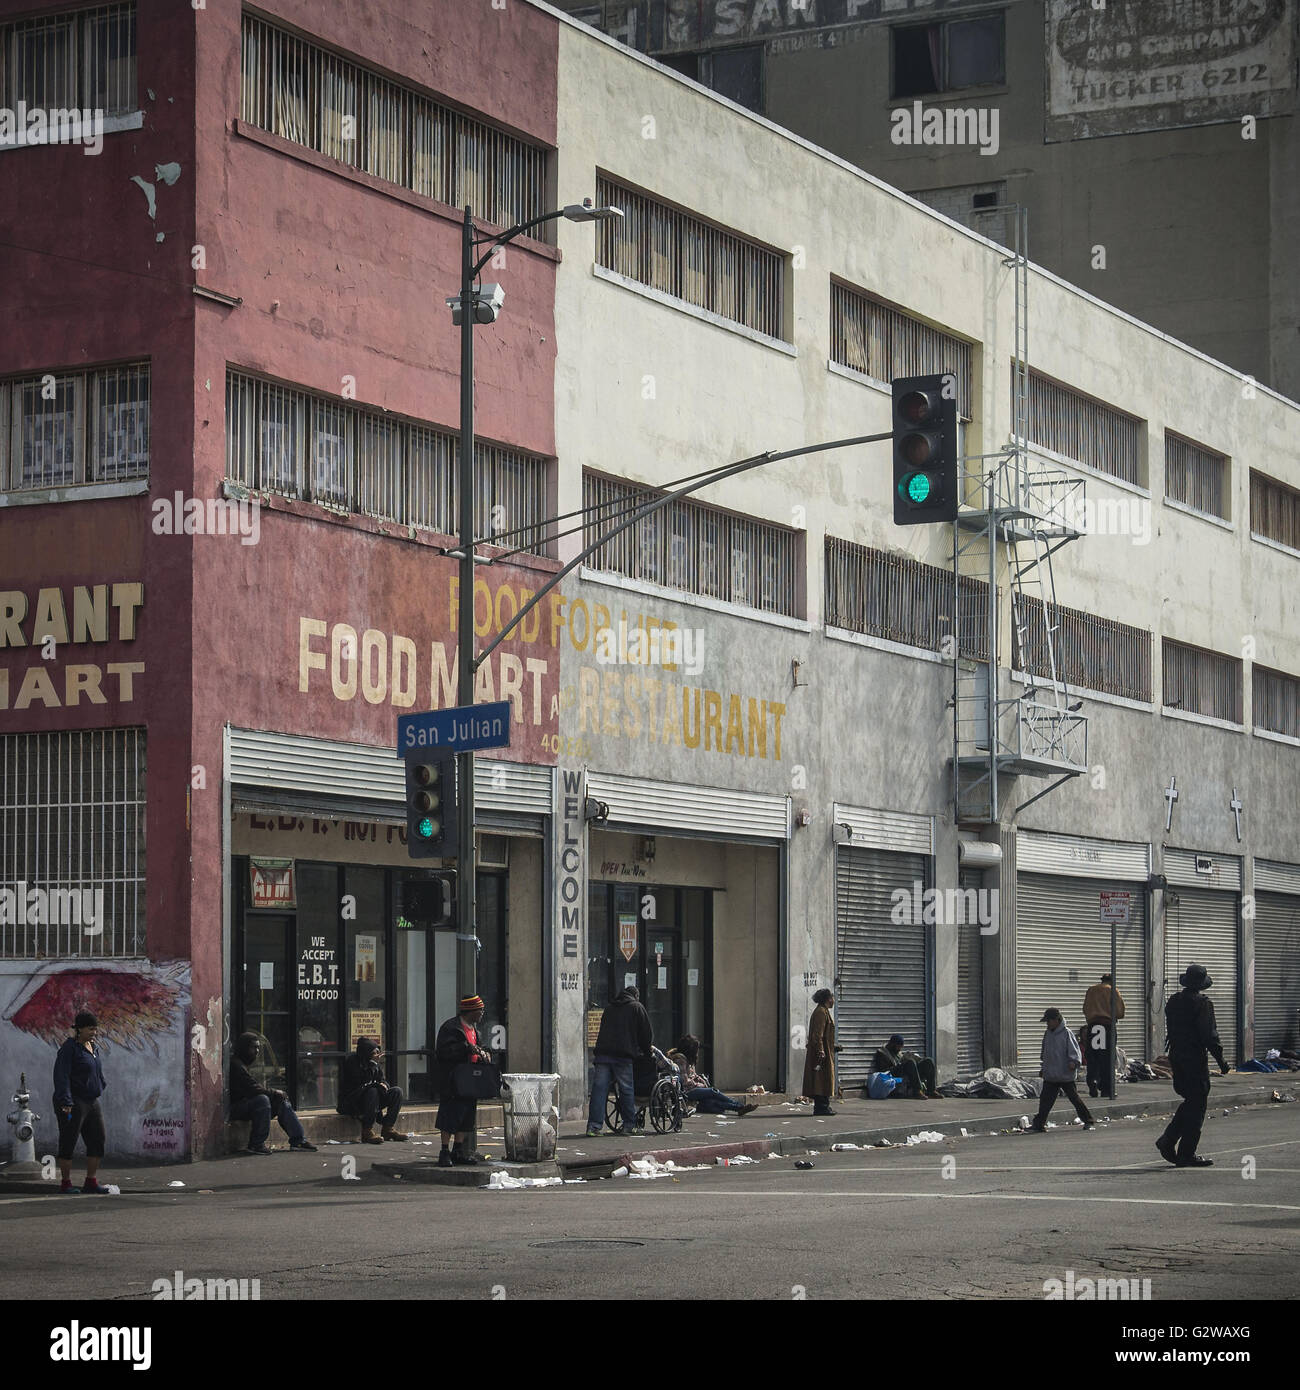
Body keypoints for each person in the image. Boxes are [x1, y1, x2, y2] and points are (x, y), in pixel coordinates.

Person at [1156, 962, 1229, 1169]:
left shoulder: (1173, 1001)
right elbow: (1209, 1036)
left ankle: (1168, 1140)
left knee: (1191, 1101)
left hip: (1177, 1057)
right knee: (1197, 1105)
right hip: (1194, 1059)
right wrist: (1221, 1061)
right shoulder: (1202, 1004)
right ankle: (1185, 1152)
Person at [228, 1032, 317, 1154]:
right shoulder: (236, 1065)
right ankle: (256, 1144)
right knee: (263, 1100)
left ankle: (298, 1140)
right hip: (234, 1108)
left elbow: (253, 1088)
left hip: (246, 1105)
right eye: (254, 1047)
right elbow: (252, 1088)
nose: (257, 1051)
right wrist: (274, 1092)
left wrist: (275, 1094)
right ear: (244, 1048)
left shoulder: (242, 1064)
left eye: (258, 1047)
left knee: (280, 1100)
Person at [53, 1012, 110, 1194]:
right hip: (73, 1101)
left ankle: (91, 1182)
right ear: (79, 1029)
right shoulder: (69, 1048)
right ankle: (66, 1183)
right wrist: (66, 1101)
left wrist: (100, 1084)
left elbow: (96, 1071)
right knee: (69, 1141)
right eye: (90, 1029)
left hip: (91, 1101)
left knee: (98, 1139)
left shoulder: (93, 1047)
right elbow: (61, 1076)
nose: (94, 1032)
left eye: (95, 1029)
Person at [586, 986, 652, 1138]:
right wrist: (647, 1053)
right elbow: (646, 1034)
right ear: (636, 995)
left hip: (603, 1054)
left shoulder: (609, 1008)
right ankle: (629, 1125)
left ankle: (593, 1126)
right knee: (626, 1089)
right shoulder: (636, 1007)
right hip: (623, 1055)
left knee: (599, 1090)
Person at [435, 995, 493, 1166]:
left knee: (467, 1116)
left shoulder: (476, 1031)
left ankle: (458, 1150)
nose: (482, 1014)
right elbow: (443, 1052)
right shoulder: (451, 1028)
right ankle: (444, 1150)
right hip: (453, 1079)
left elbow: (479, 1048)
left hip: (470, 1080)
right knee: (449, 1115)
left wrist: (484, 1053)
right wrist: (466, 1048)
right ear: (471, 1011)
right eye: (480, 1010)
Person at [1030, 1008, 1094, 1132]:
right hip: (1051, 1075)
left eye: (1048, 1021)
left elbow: (1075, 1052)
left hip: (1065, 1075)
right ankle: (1038, 1124)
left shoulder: (1066, 1033)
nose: (1047, 1024)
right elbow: (1045, 1053)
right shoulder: (1048, 1033)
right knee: (1045, 1101)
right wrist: (1043, 1068)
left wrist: (1073, 1062)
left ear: (1056, 1020)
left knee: (1075, 1099)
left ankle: (1088, 1120)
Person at [338, 1037, 409, 1144]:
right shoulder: (352, 1062)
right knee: (373, 1091)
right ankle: (367, 1131)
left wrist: (384, 1085)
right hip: (354, 1101)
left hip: (372, 1100)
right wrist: (375, 1079)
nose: (377, 1055)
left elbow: (382, 1080)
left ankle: (388, 1128)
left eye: (378, 1052)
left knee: (396, 1092)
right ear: (366, 1053)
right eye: (374, 1052)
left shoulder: (374, 1064)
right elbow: (360, 1085)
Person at [667, 1035, 758, 1116]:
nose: (697, 1053)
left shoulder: (688, 1060)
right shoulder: (680, 1060)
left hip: (692, 1091)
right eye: (696, 1050)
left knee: (712, 1103)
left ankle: (740, 1109)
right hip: (686, 1092)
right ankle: (740, 1106)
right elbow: (685, 1082)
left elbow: (692, 1075)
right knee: (713, 1091)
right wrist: (701, 1085)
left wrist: (700, 1079)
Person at [1082, 973, 1126, 1098]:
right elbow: (1119, 1012)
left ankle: (1093, 1081)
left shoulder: (1091, 990)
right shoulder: (1113, 990)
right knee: (1107, 1058)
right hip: (1107, 1026)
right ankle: (1106, 1088)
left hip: (1093, 1026)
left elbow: (1085, 1008)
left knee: (1093, 1057)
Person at [802, 989, 837, 1116]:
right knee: (820, 1080)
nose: (834, 1000)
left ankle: (824, 1106)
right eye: (832, 998)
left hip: (824, 1049)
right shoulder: (821, 1012)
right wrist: (821, 1050)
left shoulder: (824, 1011)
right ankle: (821, 1107)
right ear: (828, 999)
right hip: (821, 1052)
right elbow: (818, 1034)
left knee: (823, 1079)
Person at [871, 1033, 939, 1099]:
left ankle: (931, 1090)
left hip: (907, 1073)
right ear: (892, 1044)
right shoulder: (882, 1053)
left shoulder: (897, 1052)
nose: (900, 1049)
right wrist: (899, 1066)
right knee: (910, 1062)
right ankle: (917, 1091)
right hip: (894, 1076)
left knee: (928, 1061)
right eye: (898, 1047)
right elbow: (883, 1072)